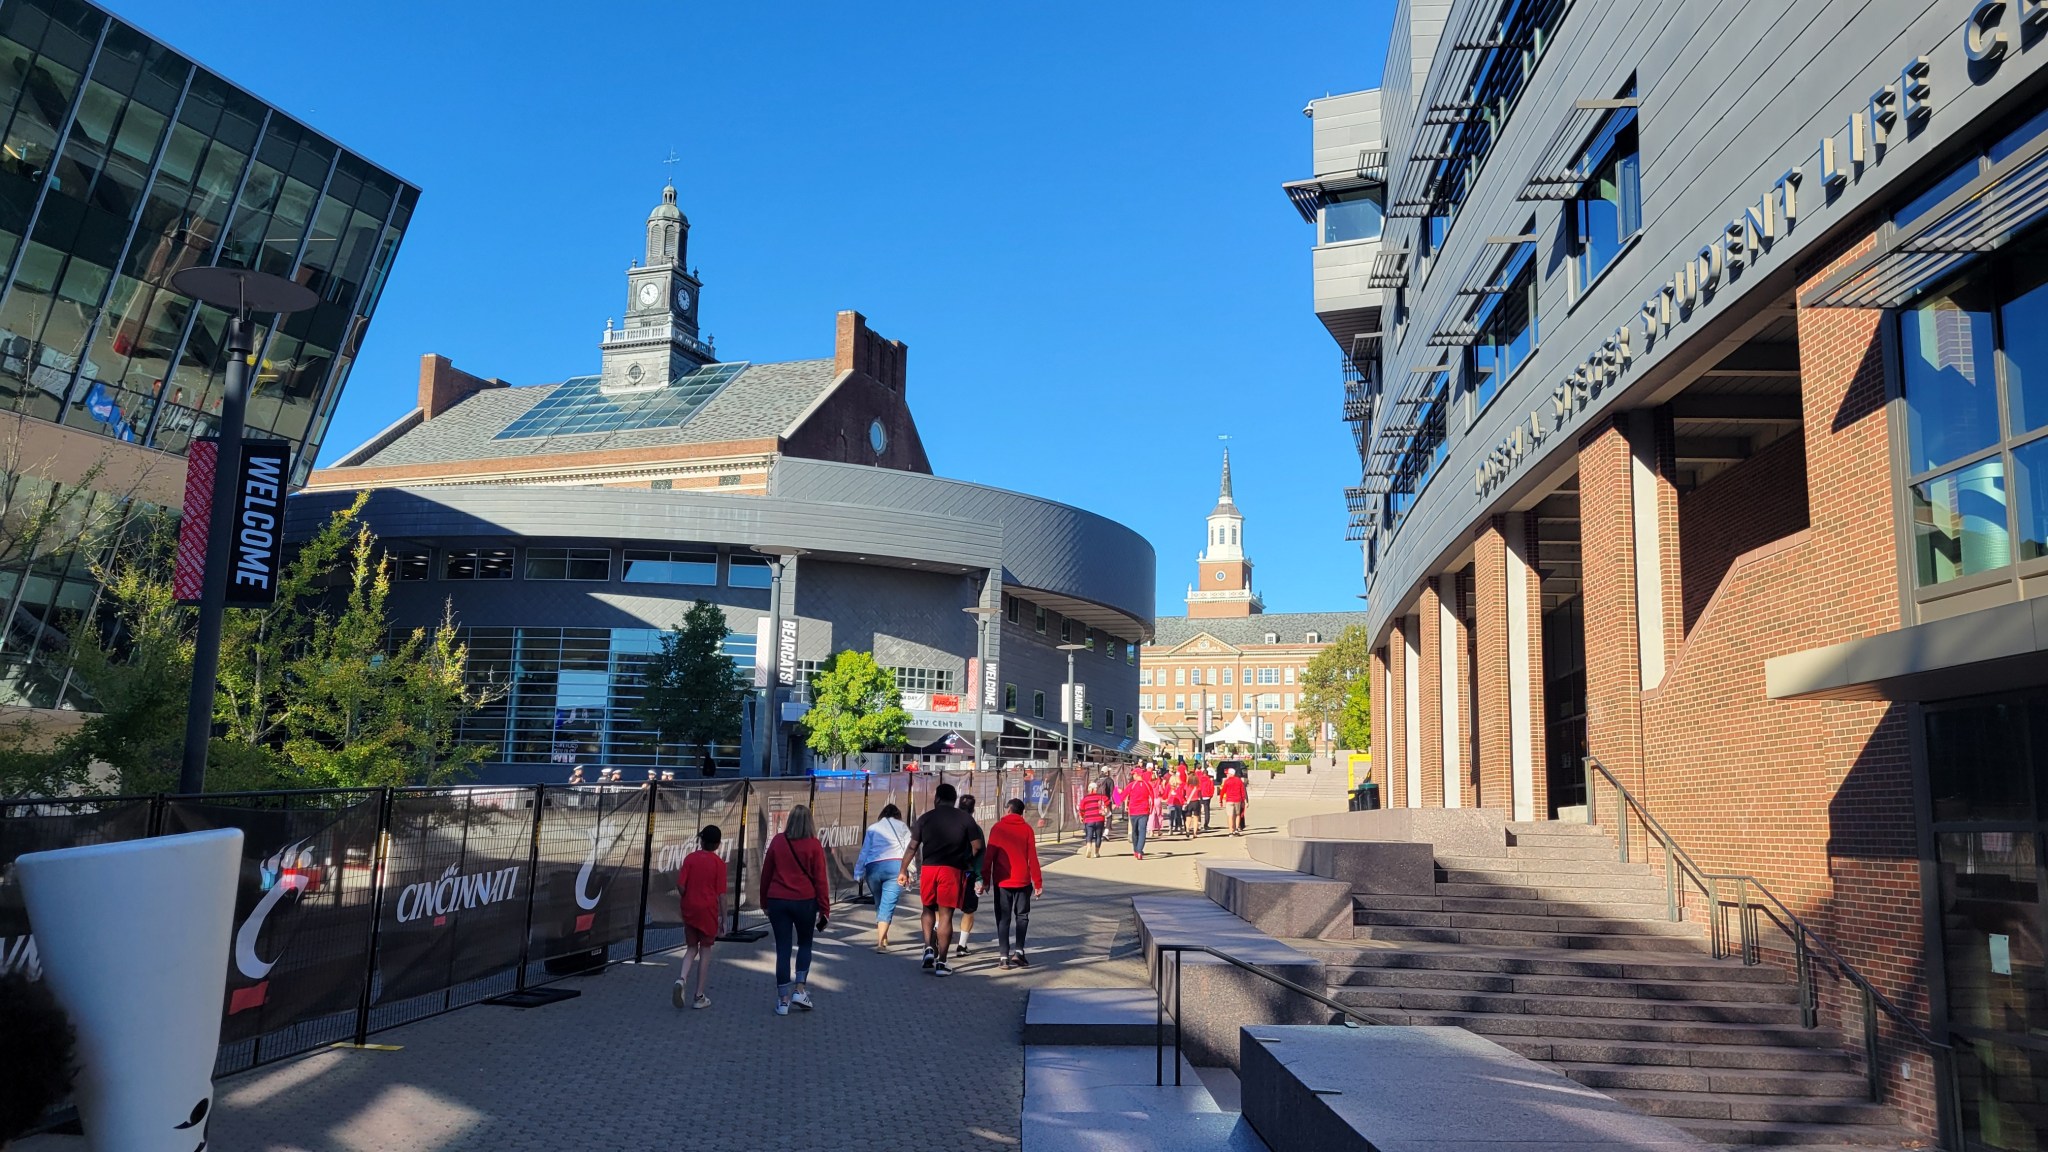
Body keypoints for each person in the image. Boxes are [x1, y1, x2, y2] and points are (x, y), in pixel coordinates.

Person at [899, 782, 983, 977]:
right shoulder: (965, 819)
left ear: (936, 798)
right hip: (951, 870)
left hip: (929, 869)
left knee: (928, 909)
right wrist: (965, 859)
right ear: (953, 800)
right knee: (946, 915)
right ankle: (942, 962)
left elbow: (912, 847)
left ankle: (928, 947)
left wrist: (903, 870)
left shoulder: (925, 818)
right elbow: (977, 846)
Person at [758, 804, 830, 1016]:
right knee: (805, 943)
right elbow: (820, 880)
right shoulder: (814, 845)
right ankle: (800, 988)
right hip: (805, 901)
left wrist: (764, 902)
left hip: (777, 900)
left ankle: (783, 1000)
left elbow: (766, 874)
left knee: (783, 949)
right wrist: (825, 909)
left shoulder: (778, 841)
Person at [982, 798, 1044, 969]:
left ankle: (1003, 956)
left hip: (1003, 881)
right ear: (1021, 812)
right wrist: (1037, 882)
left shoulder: (997, 828)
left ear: (1008, 810)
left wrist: (985, 879)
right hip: (1023, 881)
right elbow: (1033, 857)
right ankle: (1019, 952)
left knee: (1003, 918)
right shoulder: (1027, 830)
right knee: (1022, 916)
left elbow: (989, 857)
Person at [672, 824, 727, 1010]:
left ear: (701, 841)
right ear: (718, 844)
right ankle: (699, 995)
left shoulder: (690, 859)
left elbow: (680, 885)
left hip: (689, 909)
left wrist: (686, 896)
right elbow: (722, 895)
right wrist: (724, 918)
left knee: (690, 948)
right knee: (705, 950)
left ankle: (681, 978)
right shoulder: (718, 864)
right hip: (708, 911)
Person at [853, 803, 912, 951]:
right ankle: (880, 942)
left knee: (880, 903)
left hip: (873, 867)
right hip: (896, 867)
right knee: (888, 904)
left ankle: (883, 935)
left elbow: (864, 851)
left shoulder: (873, 828)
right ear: (898, 814)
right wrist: (912, 872)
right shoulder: (903, 826)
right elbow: (909, 850)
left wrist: (858, 872)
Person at [951, 794, 985, 956]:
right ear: (973, 809)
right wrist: (980, 877)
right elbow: (979, 854)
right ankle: (962, 945)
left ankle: (935, 943)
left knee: (942, 910)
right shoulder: (975, 828)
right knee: (969, 910)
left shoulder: (949, 825)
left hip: (948, 872)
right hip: (968, 873)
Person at [1123, 769, 1156, 859]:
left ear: (1137, 775)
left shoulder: (1131, 785)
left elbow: (1123, 795)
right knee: (1142, 831)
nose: (1133, 776)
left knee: (1135, 831)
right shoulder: (1147, 785)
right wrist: (1151, 809)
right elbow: (1152, 798)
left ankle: (1136, 850)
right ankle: (1139, 850)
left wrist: (1115, 801)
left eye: (1133, 774)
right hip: (1144, 811)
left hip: (1133, 811)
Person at [1078, 781, 1110, 858]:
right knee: (1098, 836)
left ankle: (1089, 847)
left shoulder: (1085, 798)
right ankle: (1096, 852)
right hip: (1099, 819)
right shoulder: (1101, 797)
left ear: (1089, 789)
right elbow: (1108, 802)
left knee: (1089, 835)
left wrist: (1081, 817)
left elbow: (1081, 809)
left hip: (1088, 819)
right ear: (1096, 789)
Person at [1220, 767, 1249, 836]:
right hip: (1238, 800)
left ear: (1230, 774)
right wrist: (1244, 801)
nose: (1227, 775)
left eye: (1228, 774)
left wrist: (1221, 800)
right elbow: (1243, 791)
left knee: (1230, 816)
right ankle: (1236, 829)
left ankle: (1230, 831)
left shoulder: (1227, 781)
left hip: (1229, 800)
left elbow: (1223, 791)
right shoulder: (1239, 781)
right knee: (1237, 815)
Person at [1194, 768, 1216, 833]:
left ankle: (1198, 823)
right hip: (1207, 796)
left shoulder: (1199, 780)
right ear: (1207, 774)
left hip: (1200, 796)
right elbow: (1212, 788)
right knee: (1207, 810)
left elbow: (1197, 787)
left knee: (1199, 810)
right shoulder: (1209, 780)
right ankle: (1206, 824)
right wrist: (1210, 795)